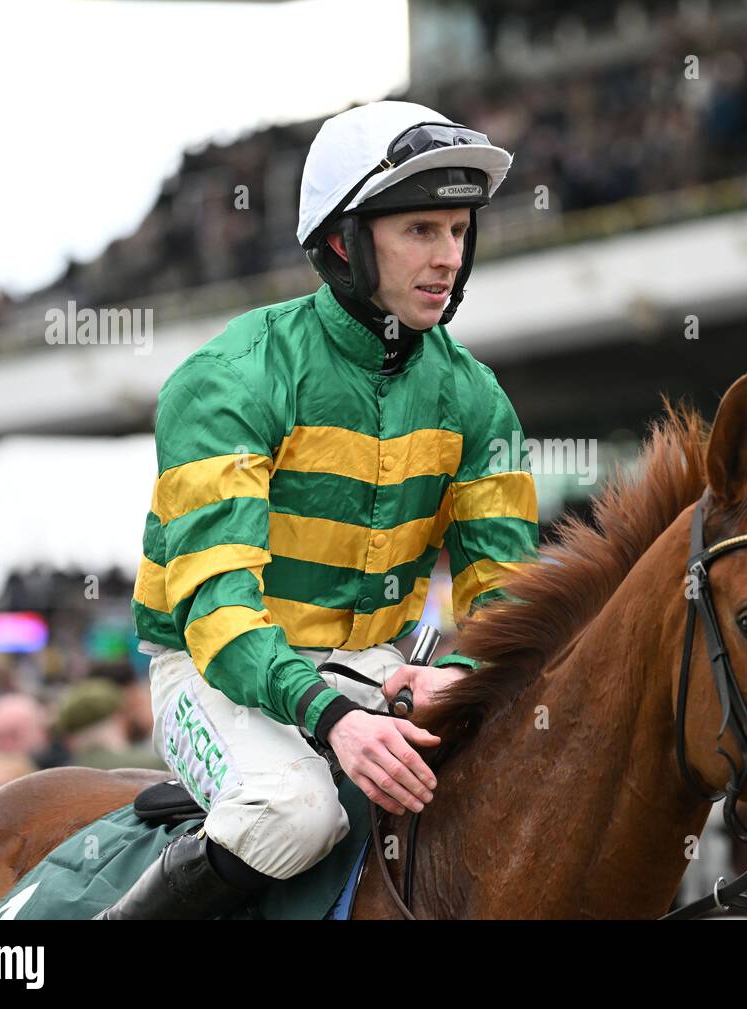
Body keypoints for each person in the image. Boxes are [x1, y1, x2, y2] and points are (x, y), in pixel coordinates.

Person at [100, 101, 539, 919]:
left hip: (375, 659)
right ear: (342, 240)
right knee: (295, 814)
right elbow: (220, 614)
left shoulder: (478, 400)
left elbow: (508, 594)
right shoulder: (229, 378)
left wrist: (458, 672)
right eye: (420, 231)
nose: (448, 257)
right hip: (212, 666)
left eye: (457, 230)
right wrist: (335, 717)